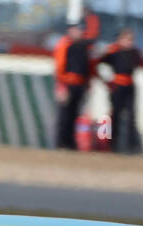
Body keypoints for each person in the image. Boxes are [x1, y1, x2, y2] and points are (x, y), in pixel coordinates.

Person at [98, 28, 143, 155]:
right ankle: (112, 145)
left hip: (130, 86)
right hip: (117, 86)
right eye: (127, 39)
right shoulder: (113, 51)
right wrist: (105, 80)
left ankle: (131, 147)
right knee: (114, 116)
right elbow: (96, 62)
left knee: (132, 116)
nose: (130, 42)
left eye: (131, 39)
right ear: (120, 39)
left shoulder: (135, 53)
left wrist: (142, 56)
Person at [53, 21, 95, 150]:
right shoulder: (65, 45)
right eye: (76, 30)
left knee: (74, 115)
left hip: (80, 85)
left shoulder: (84, 47)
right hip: (68, 84)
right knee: (65, 115)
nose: (79, 33)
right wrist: (61, 86)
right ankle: (61, 143)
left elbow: (89, 67)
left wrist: (88, 84)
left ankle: (71, 143)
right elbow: (60, 67)